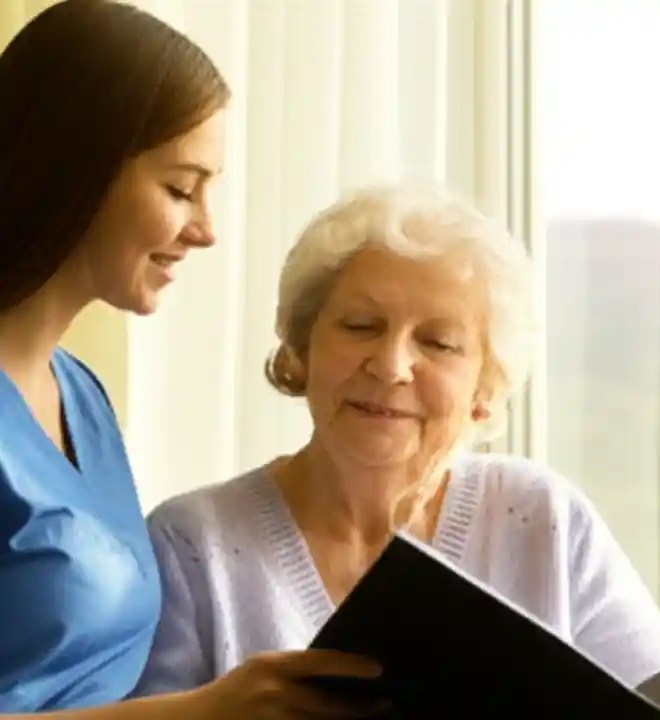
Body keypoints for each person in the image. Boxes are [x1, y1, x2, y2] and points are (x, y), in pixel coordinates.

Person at [131, 183, 660, 697]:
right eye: (361, 326)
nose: (392, 366)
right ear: (303, 347)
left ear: (484, 388)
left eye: (438, 343)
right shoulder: (192, 545)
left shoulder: (545, 520)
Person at [0, 1, 384, 717]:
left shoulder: (80, 394)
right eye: (180, 188)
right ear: (74, 165)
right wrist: (201, 712)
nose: (206, 229)